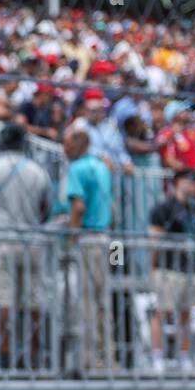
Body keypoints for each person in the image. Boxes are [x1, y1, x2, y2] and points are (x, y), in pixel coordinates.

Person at [0, 123, 52, 368]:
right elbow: (45, 210)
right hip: (31, 242)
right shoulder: (38, 171)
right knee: (32, 301)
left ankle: (5, 359)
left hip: (0, 241)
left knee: (1, 300)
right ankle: (34, 355)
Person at [60, 125, 116, 372]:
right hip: (105, 237)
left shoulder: (77, 168)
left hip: (87, 239)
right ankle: (107, 357)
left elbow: (79, 207)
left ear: (78, 144)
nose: (65, 150)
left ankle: (89, 360)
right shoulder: (103, 167)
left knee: (86, 303)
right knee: (103, 300)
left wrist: (71, 238)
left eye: (67, 145)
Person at [146, 169, 195, 375]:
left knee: (186, 314)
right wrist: (153, 268)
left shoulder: (194, 209)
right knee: (160, 312)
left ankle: (184, 357)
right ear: (179, 182)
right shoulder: (164, 209)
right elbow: (155, 240)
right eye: (191, 181)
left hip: (188, 268)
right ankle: (157, 358)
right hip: (168, 268)